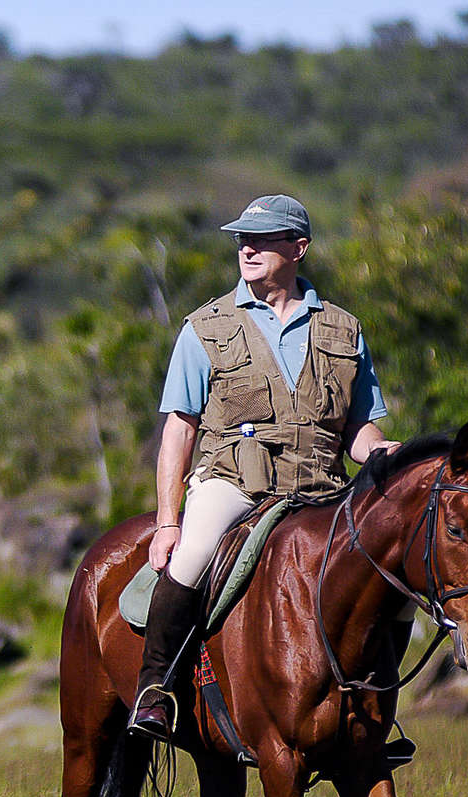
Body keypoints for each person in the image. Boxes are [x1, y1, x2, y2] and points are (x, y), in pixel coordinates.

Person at [128, 194, 400, 743]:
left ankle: (376, 711)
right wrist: (166, 521)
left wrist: (384, 454)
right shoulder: (204, 328)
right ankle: (155, 688)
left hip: (322, 490)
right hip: (234, 483)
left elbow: (359, 430)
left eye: (264, 238)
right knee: (192, 560)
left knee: (391, 575)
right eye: (241, 240)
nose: (247, 249)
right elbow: (179, 430)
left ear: (298, 248)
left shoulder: (345, 331)